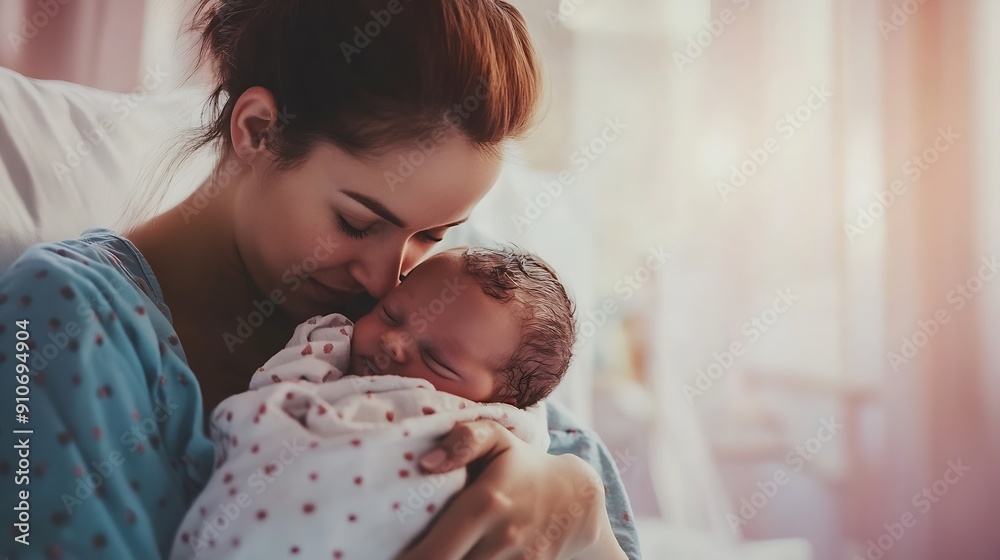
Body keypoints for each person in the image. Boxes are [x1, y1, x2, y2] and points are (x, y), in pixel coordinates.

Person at [0, 1, 640, 558]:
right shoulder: (61, 321)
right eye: (358, 222)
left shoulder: (431, 331)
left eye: (434, 235)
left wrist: (584, 518)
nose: (387, 278)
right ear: (257, 130)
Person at [170, 246, 590, 559]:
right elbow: (271, 399)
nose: (394, 343)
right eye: (390, 314)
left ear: (505, 400)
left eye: (437, 359)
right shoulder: (329, 349)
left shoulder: (510, 436)